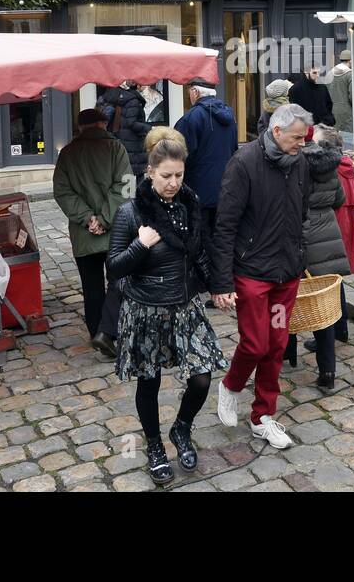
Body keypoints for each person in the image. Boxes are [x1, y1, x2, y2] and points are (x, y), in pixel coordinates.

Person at [106, 127, 227, 485]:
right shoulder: (130, 213)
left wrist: (221, 287)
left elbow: (202, 252)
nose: (173, 183)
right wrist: (140, 246)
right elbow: (113, 268)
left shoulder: (189, 207)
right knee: (150, 382)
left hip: (186, 307)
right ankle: (155, 445)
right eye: (165, 176)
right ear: (149, 173)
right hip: (146, 310)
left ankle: (181, 429)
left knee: (202, 378)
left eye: (179, 175)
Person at [211, 103, 313, 450]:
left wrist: (300, 254)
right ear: (277, 132)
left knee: (276, 344)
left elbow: (301, 211)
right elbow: (224, 226)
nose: (303, 143)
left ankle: (262, 416)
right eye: (298, 137)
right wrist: (221, 282)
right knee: (255, 342)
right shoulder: (244, 164)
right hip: (252, 273)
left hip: (285, 274)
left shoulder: (299, 162)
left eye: (305, 137)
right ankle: (230, 386)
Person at [54, 107, 132, 355]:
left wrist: (88, 219)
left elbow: (62, 192)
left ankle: (96, 332)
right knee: (118, 283)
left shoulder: (67, 153)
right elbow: (127, 188)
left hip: (83, 235)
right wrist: (105, 219)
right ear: (104, 124)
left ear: (80, 128)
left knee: (91, 286)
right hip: (116, 232)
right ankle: (109, 332)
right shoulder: (116, 148)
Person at [287, 125, 351, 392]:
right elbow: (340, 198)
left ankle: (286, 351)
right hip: (328, 234)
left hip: (303, 237)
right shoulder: (329, 166)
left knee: (290, 298)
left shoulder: (296, 167)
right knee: (322, 303)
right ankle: (327, 371)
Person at [173, 79, 238, 239]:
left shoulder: (190, 119)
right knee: (220, 239)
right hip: (225, 189)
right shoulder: (230, 117)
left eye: (190, 91)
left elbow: (178, 156)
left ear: (195, 92)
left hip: (196, 192)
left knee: (199, 241)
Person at [101, 80, 153, 177]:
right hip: (134, 147)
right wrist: (150, 129)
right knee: (135, 181)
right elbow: (131, 123)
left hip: (118, 144)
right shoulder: (132, 100)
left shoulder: (109, 97)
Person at [329, 49, 354, 133]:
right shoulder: (350, 75)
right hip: (347, 111)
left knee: (335, 137)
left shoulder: (330, 73)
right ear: (350, 60)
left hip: (332, 110)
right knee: (348, 138)